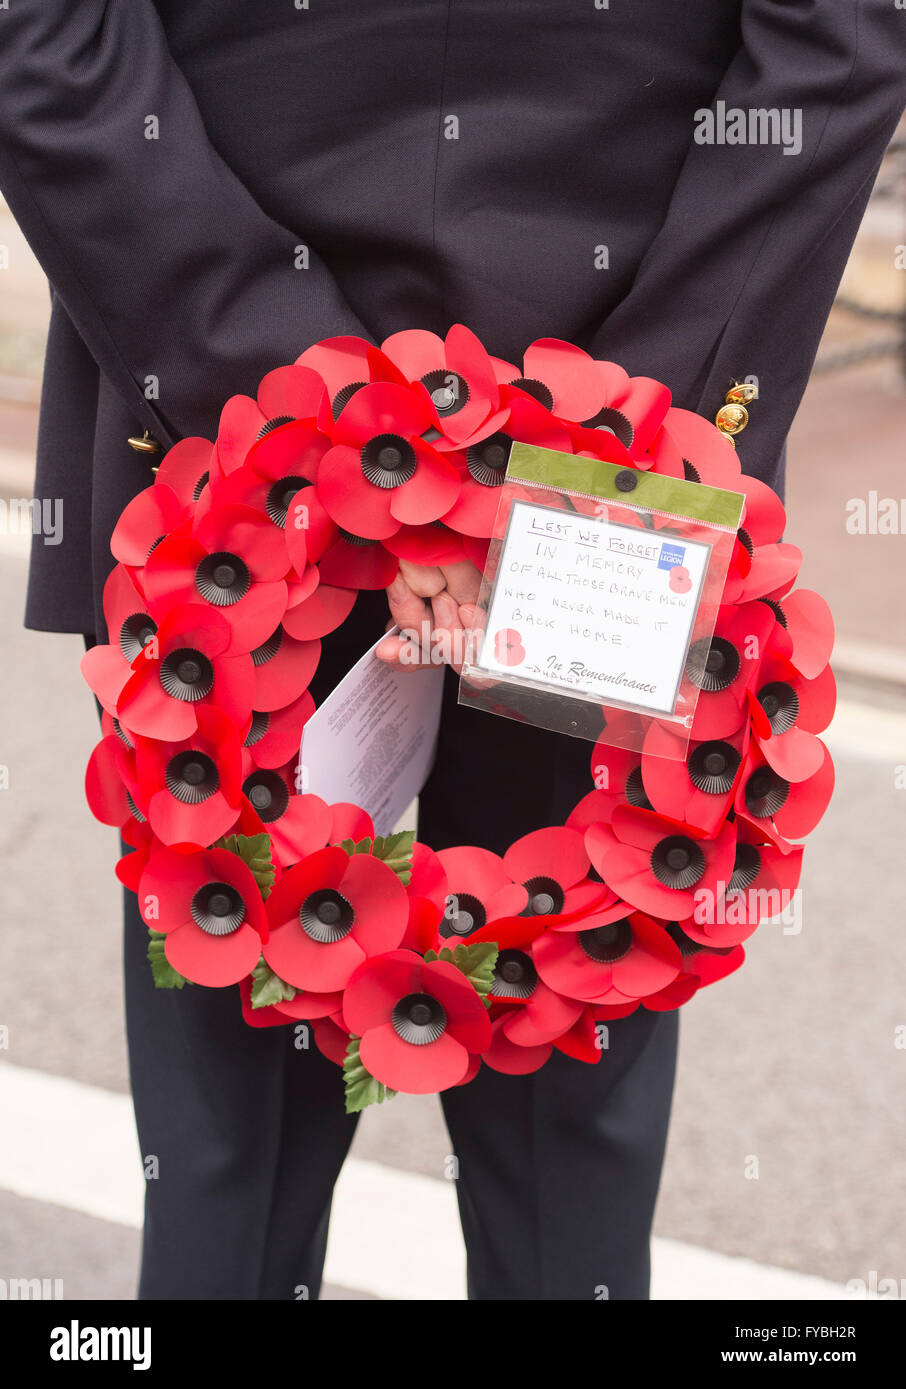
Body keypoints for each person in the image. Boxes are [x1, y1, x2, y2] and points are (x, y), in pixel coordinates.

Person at [1, 2, 903, 1301]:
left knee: (232, 1154)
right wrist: (596, 459)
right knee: (556, 1155)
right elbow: (836, 41)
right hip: (579, 397)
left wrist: (291, 404)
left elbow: (57, 40)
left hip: (229, 442)